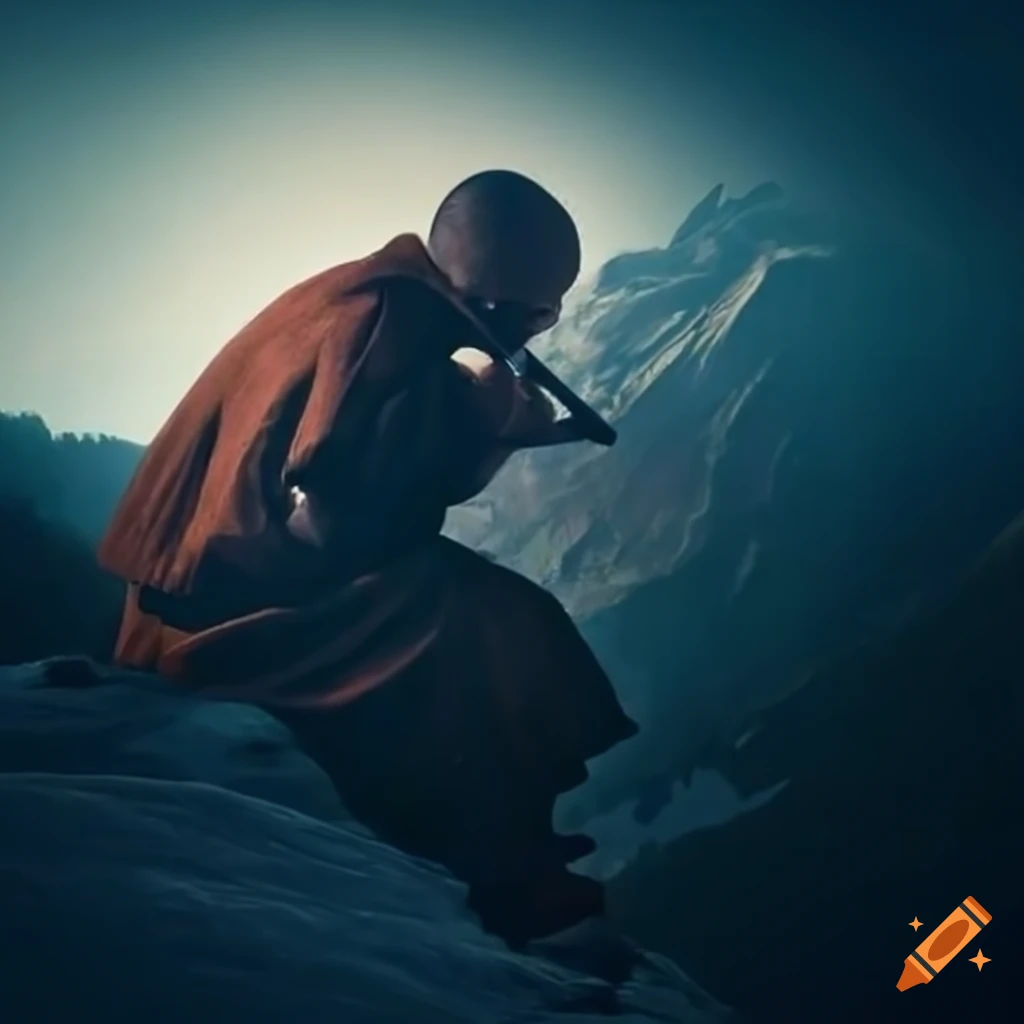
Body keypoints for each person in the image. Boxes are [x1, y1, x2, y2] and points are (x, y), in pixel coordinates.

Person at [97, 169, 638, 944]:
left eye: (544, 313)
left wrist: (497, 430)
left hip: (196, 586)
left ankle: (501, 850)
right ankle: (499, 867)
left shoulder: (371, 294)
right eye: (518, 312)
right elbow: (340, 513)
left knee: (484, 610)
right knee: (501, 625)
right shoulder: (389, 321)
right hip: (226, 607)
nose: (529, 330)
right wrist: (495, 435)